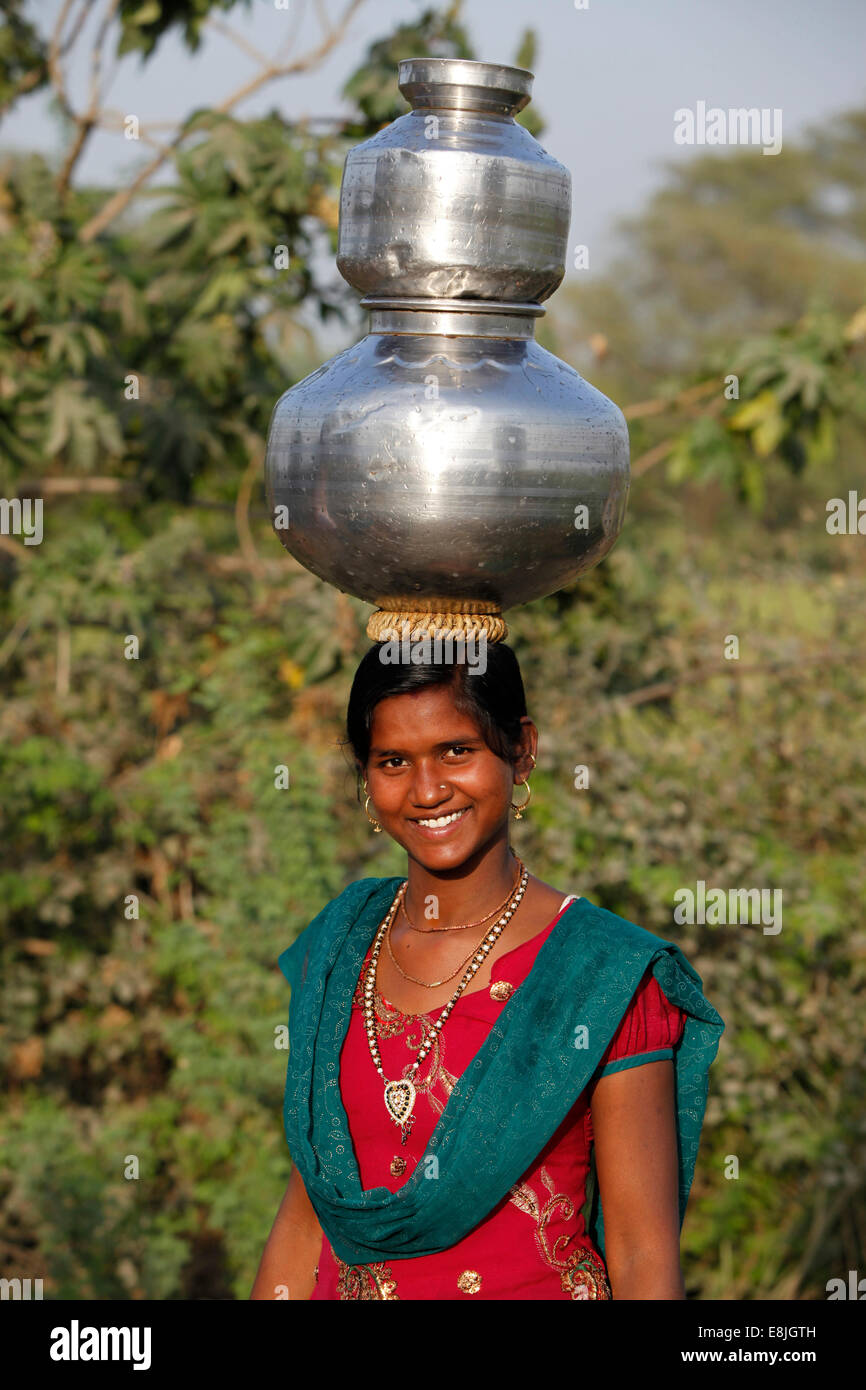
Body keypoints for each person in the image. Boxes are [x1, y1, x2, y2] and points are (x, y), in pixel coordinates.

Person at [251, 640, 724, 1301]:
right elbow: (307, 1217)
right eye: (393, 761)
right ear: (365, 775)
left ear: (521, 748)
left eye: (456, 751)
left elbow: (644, 1257)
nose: (426, 790)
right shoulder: (342, 946)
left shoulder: (600, 974)